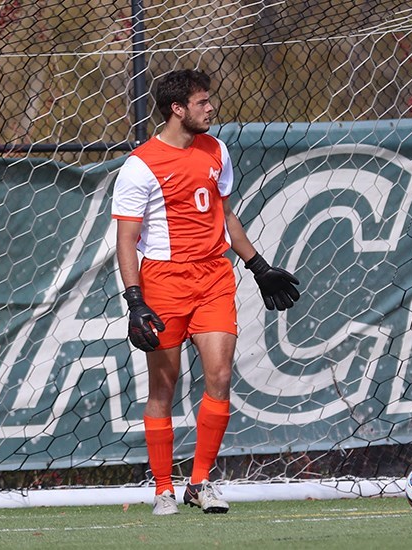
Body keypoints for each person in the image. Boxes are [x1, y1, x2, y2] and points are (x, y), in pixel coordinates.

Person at [111, 69, 300, 516]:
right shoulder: (140, 164)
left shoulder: (216, 150)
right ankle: (163, 488)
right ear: (177, 109)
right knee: (164, 385)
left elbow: (224, 215)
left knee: (219, 376)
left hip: (215, 278)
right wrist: (135, 300)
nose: (210, 107)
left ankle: (200, 482)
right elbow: (125, 240)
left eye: (208, 100)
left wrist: (258, 266)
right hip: (163, 281)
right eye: (201, 102)